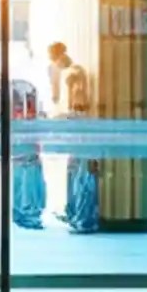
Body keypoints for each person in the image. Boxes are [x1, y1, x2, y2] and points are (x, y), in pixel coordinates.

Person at [57, 64, 98, 233]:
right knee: (76, 180)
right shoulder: (77, 94)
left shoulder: (79, 95)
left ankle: (83, 218)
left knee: (81, 182)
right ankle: (77, 214)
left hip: (81, 146)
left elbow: (78, 117)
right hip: (78, 146)